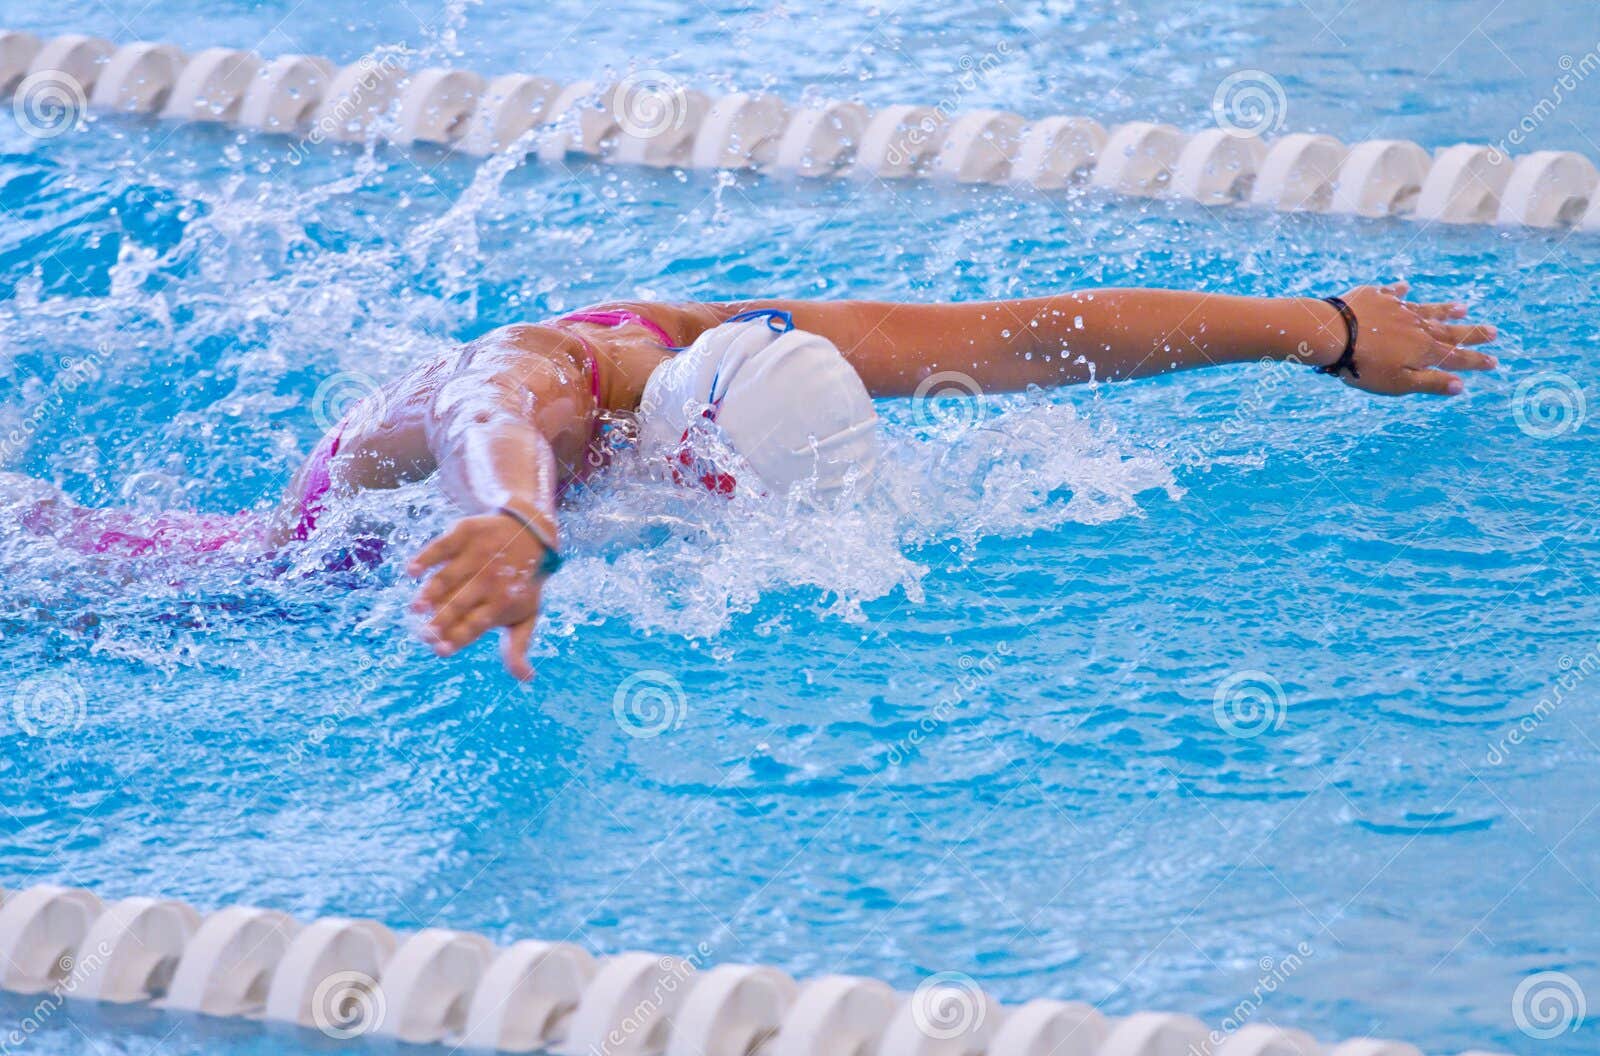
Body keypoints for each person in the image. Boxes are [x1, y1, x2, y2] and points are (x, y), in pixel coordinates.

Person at [15, 282, 1496, 679]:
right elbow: (486, 411)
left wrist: (1325, 332)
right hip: (234, 579)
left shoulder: (760, 335)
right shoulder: (563, 375)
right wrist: (518, 522)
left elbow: (1035, 337)